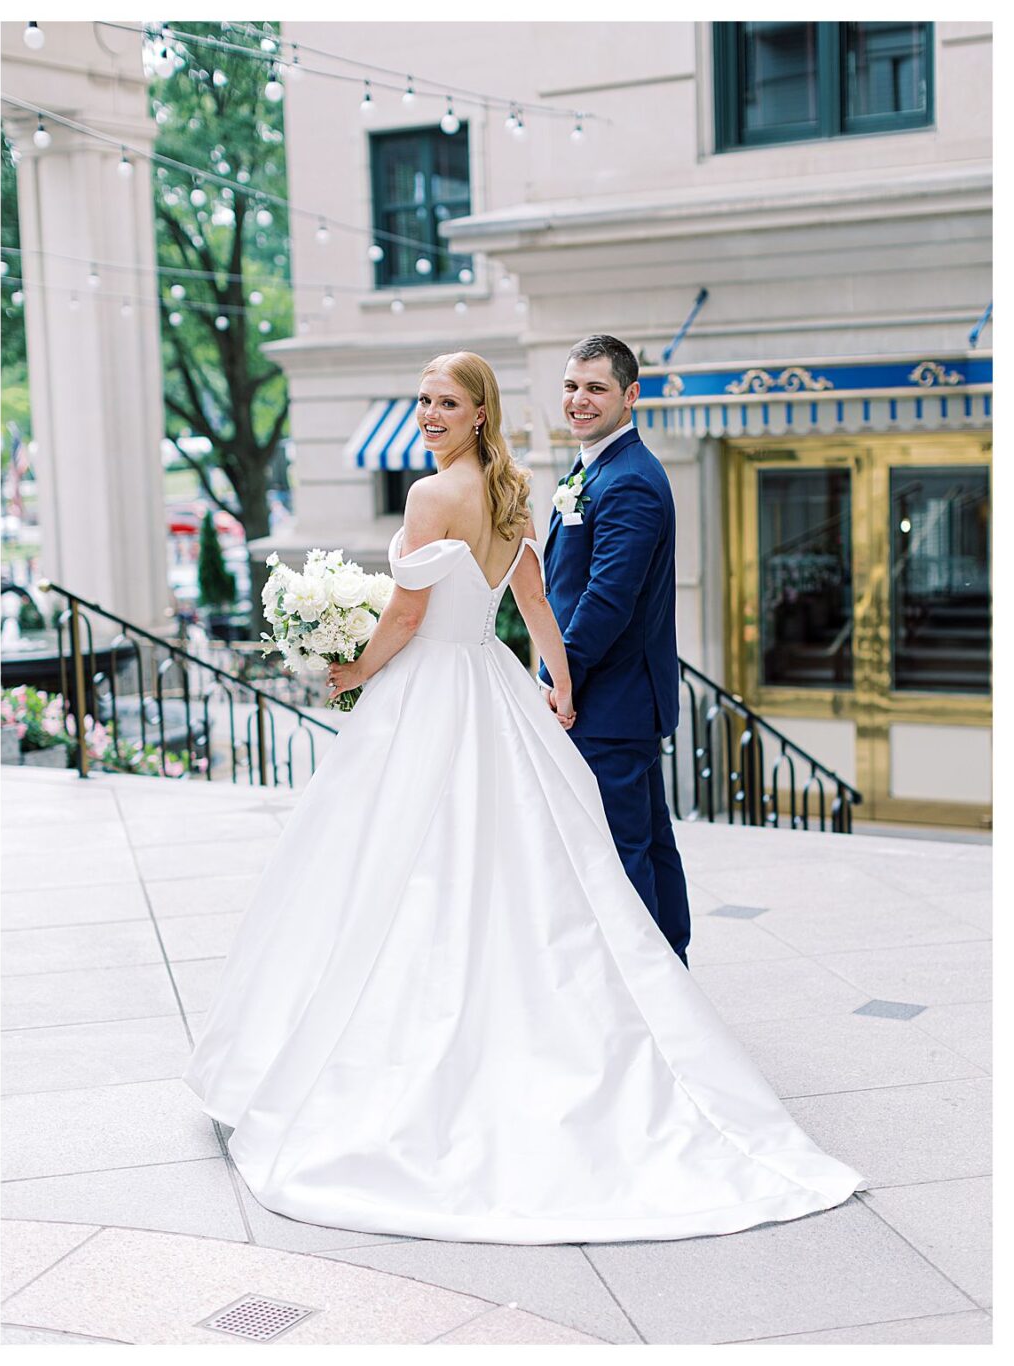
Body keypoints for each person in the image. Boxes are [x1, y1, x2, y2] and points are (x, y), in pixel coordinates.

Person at [182, 351, 861, 1244]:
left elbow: (408, 618)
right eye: (421, 399)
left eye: (445, 402)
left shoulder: (434, 498)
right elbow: (535, 604)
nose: (428, 414)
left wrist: (353, 670)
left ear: (477, 413)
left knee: (402, 861)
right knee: (531, 860)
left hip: (431, 689)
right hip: (496, 688)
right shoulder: (512, 494)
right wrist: (562, 687)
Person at [543, 334, 692, 962]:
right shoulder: (594, 465)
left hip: (610, 700)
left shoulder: (629, 479)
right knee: (648, 839)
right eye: (573, 385)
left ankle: (648, 995)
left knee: (620, 851)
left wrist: (562, 679)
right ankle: (673, 974)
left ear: (630, 396)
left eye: (596, 387)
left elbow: (608, 600)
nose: (580, 399)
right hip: (617, 698)